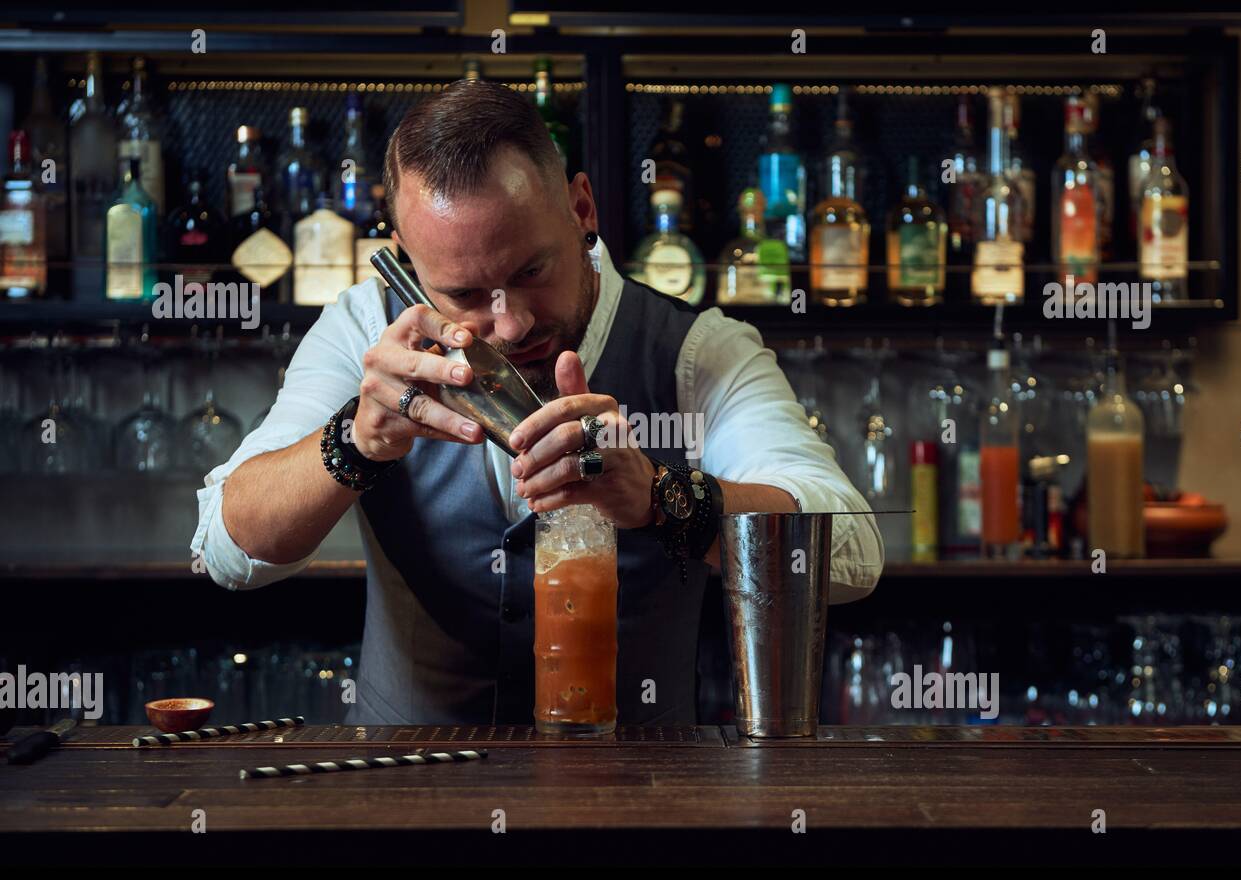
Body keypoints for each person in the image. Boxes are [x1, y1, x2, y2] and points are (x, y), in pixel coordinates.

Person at [191, 79, 883, 725]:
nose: (511, 323)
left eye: (531, 270)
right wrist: (354, 442)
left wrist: (662, 497)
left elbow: (852, 550)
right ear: (404, 261)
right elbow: (224, 551)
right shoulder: (365, 331)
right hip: (405, 795)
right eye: (463, 294)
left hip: (643, 796)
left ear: (582, 208)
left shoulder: (698, 351)